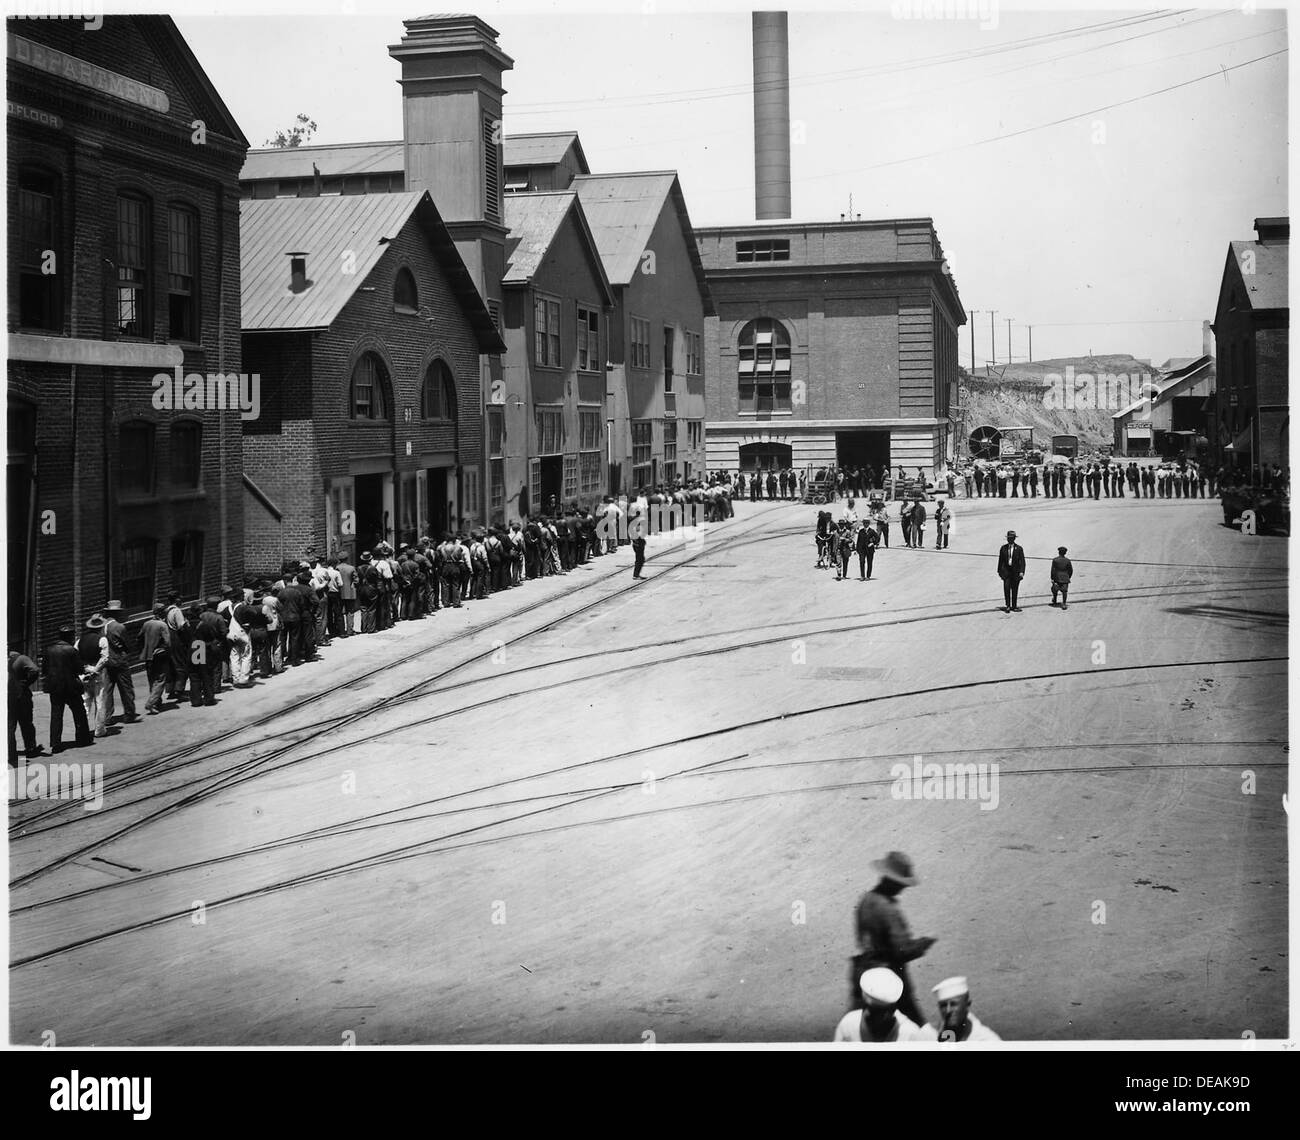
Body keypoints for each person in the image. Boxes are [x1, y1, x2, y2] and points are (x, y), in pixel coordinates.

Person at [851, 851, 936, 1024]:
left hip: (863, 972)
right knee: (915, 1026)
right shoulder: (889, 910)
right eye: (901, 884)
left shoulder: (865, 899)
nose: (903, 887)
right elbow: (902, 950)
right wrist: (924, 943)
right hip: (889, 975)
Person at [833, 968, 927, 1043]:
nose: (880, 1017)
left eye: (882, 1011)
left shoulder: (910, 1033)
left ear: (893, 1009)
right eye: (874, 1011)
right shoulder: (848, 1025)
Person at [42, 626, 94, 753]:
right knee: (79, 712)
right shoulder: (71, 650)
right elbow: (79, 669)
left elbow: (44, 669)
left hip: (55, 687)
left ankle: (55, 743)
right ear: (70, 636)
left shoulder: (49, 650)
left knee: (56, 715)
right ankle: (83, 738)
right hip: (71, 687)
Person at [917, 976, 1003, 1042]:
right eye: (943, 1005)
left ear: (967, 1004)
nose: (948, 1010)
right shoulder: (931, 1034)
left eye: (954, 1004)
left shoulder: (987, 1040)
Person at [99, 600, 140, 727]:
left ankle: (107, 717)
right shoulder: (119, 627)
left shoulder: (102, 626)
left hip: (106, 661)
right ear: (117, 614)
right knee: (126, 688)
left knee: (107, 690)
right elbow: (127, 644)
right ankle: (129, 714)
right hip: (119, 661)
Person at [9, 642, 44, 764]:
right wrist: (27, 682)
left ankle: (10, 751)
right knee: (26, 723)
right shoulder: (22, 658)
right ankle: (30, 748)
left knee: (10, 725)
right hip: (21, 694)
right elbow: (35, 670)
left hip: (8, 696)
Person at [139, 602, 173, 713]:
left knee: (152, 679)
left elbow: (139, 638)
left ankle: (156, 702)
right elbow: (167, 642)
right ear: (161, 613)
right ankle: (151, 702)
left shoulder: (146, 624)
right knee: (160, 679)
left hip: (148, 656)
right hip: (159, 655)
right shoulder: (162, 625)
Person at [997, 530, 1026, 613]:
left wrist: (1022, 572)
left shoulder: (1019, 549)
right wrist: (999, 572)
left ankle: (1014, 606)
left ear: (1014, 539)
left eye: (1011, 538)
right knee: (1006, 588)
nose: (1009, 540)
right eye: (1008, 538)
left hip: (1016, 573)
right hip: (1006, 572)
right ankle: (1008, 606)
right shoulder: (1003, 548)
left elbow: (1022, 562)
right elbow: (1000, 561)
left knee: (1015, 589)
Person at [1050, 545, 1074, 609]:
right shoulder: (1068, 561)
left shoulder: (1055, 560)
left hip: (1057, 577)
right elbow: (1071, 570)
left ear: (1059, 552)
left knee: (1055, 589)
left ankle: (1055, 600)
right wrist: (1068, 576)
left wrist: (1052, 578)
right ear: (1065, 553)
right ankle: (1064, 604)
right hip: (1065, 578)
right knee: (1064, 591)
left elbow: (1053, 570)